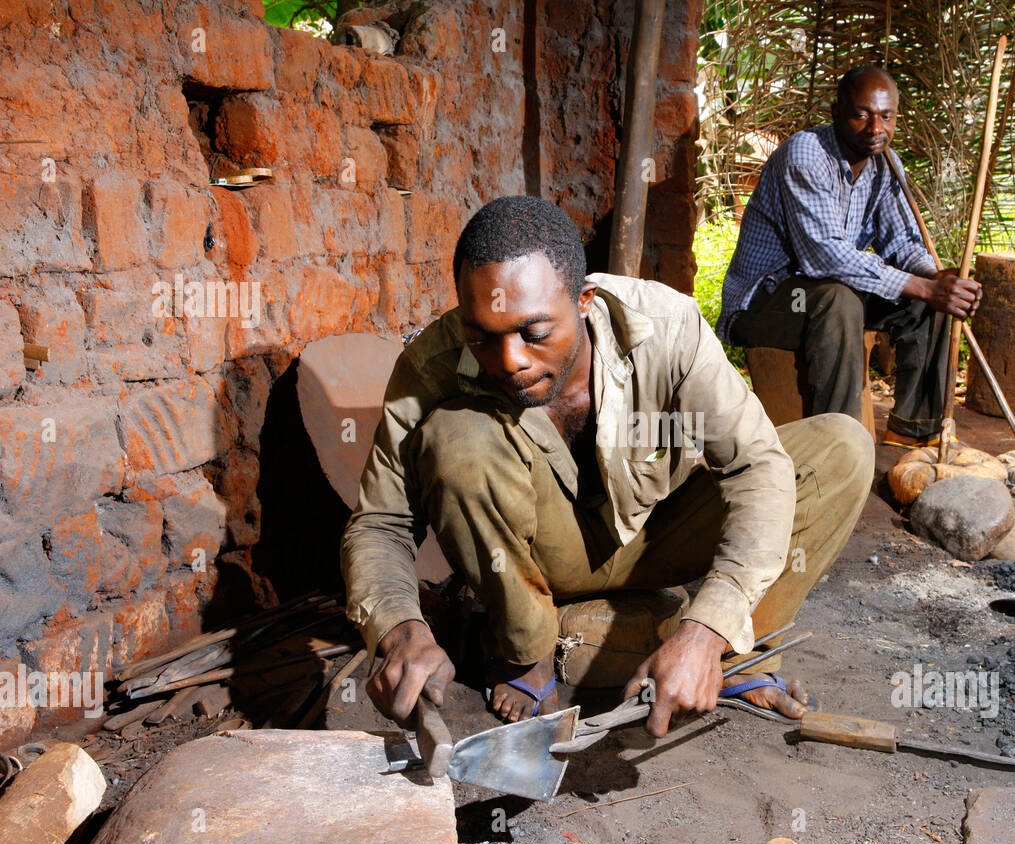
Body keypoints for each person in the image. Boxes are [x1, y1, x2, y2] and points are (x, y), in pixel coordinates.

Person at [341, 196, 873, 736]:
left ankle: (733, 658)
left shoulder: (665, 327)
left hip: (655, 533)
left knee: (840, 447)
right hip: (541, 559)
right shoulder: (432, 366)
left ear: (586, 301)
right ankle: (526, 654)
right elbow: (381, 522)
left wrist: (705, 629)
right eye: (481, 336)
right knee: (458, 437)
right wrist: (399, 628)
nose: (510, 361)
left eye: (535, 332)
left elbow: (754, 466)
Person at [719, 65, 983, 448]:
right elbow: (824, 257)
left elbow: (904, 246)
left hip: (830, 294)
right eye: (862, 115)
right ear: (836, 113)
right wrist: (922, 286)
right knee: (837, 298)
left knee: (935, 299)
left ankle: (915, 434)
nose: (876, 129)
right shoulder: (805, 155)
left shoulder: (887, 163)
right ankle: (840, 448)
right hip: (768, 302)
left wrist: (937, 278)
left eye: (886, 116)